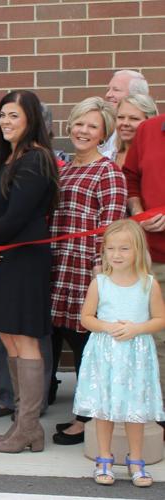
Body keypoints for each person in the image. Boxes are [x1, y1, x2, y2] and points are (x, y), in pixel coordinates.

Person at [0, 90, 59, 454]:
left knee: (25, 340)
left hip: (23, 261)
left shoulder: (36, 160)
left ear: (31, 119)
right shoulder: (6, 159)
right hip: (2, 262)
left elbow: (17, 216)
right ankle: (22, 423)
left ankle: (30, 426)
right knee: (7, 338)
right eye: (2, 115)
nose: (5, 121)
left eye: (14, 116)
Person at [48, 97, 127, 446]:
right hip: (55, 265)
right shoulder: (64, 168)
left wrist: (103, 276)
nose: (83, 130)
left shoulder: (108, 172)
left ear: (103, 134)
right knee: (54, 337)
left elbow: (111, 228)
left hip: (85, 271)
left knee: (86, 346)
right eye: (80, 123)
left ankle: (87, 418)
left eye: (92, 126)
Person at [74, 220, 165, 488]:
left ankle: (136, 460)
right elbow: (86, 318)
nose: (116, 254)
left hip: (136, 356)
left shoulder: (149, 284)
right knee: (104, 409)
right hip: (106, 354)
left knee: (134, 411)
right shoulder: (100, 283)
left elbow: (160, 319)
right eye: (111, 248)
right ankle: (104, 457)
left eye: (124, 248)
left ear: (138, 249)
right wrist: (106, 326)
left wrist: (137, 328)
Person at [122, 104, 165, 427]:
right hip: (153, 255)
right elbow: (132, 176)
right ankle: (158, 416)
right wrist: (138, 208)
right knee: (155, 338)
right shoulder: (150, 130)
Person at [101, 70, 150, 160]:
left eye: (116, 90)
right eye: (108, 90)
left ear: (136, 95)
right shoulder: (110, 127)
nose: (108, 95)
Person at [113, 94, 158, 168]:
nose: (125, 123)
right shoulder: (108, 156)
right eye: (120, 117)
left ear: (150, 121)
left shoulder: (159, 158)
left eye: (134, 118)